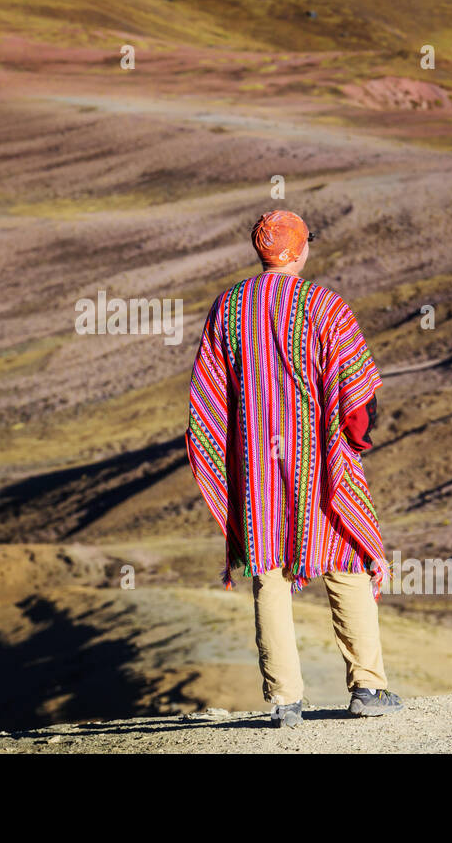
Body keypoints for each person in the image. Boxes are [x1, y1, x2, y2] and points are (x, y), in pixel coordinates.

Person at [185, 210, 402, 727]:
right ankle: (367, 689)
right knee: (346, 564)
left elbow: (208, 396)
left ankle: (285, 700)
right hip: (321, 467)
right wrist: (354, 441)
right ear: (301, 249)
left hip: (256, 468)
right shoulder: (324, 306)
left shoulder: (229, 308)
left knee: (268, 575)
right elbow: (357, 402)